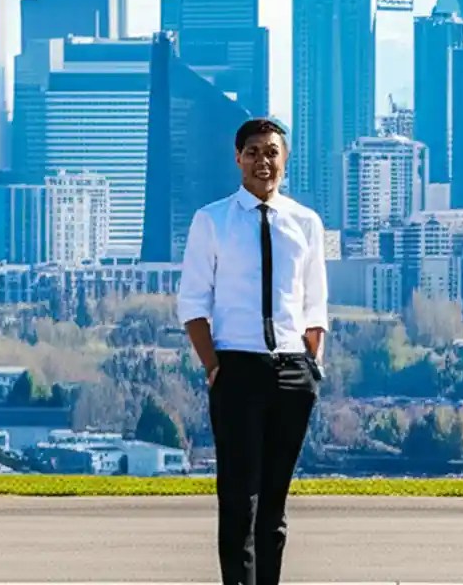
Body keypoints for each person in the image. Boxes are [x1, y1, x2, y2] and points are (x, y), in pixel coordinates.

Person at [177, 117, 328, 585]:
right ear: (238, 158)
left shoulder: (305, 222)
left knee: (275, 505)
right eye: (254, 151)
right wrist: (214, 366)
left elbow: (314, 302)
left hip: (291, 371)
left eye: (272, 152)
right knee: (240, 500)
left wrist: (310, 363)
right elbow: (192, 302)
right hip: (237, 368)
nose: (263, 161)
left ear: (285, 159)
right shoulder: (213, 220)